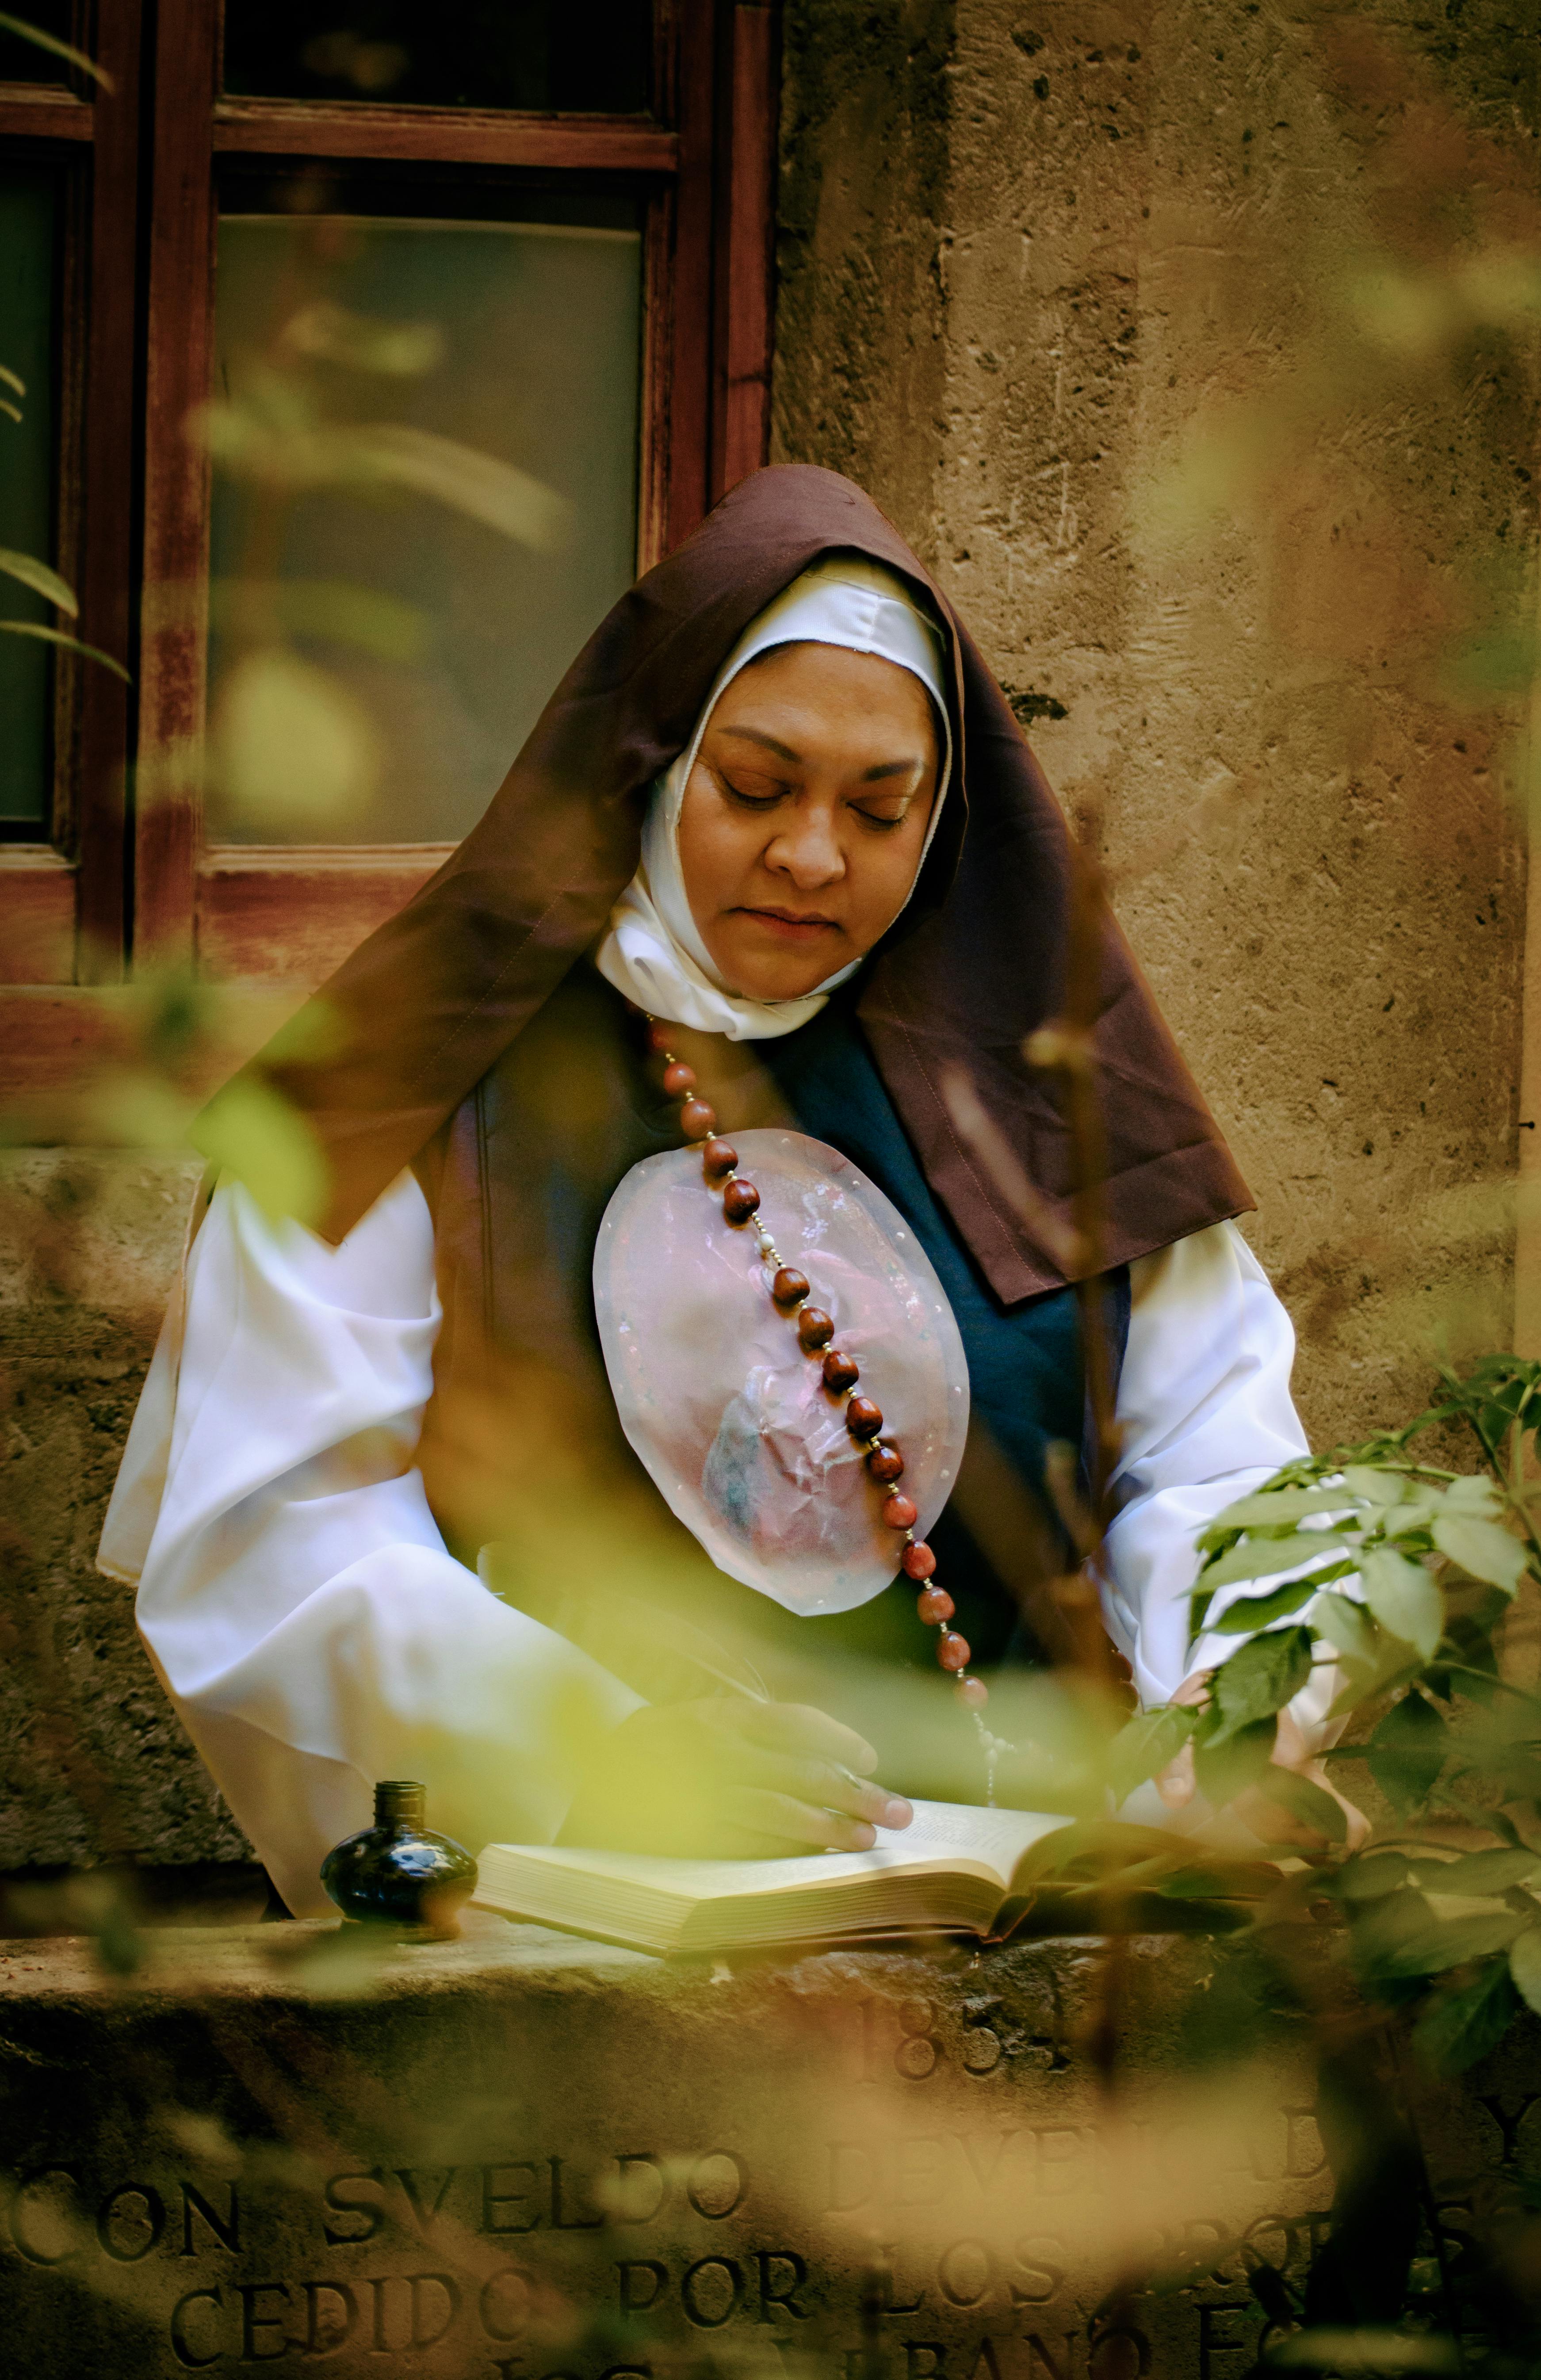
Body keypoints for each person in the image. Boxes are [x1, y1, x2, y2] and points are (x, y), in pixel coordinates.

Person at [100, 467, 1343, 1918]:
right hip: (598, 1920)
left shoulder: (1042, 1093)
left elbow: (1214, 1460)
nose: (812, 857)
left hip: (1046, 1909)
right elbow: (286, 1529)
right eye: (755, 788)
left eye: (882, 811)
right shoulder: (409, 1086)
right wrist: (616, 1748)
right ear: (645, 767)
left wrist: (1234, 1693)